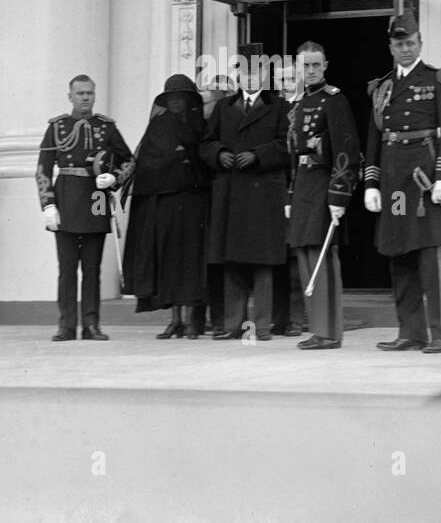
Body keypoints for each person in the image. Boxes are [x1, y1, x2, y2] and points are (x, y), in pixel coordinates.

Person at [363, 14, 441, 354]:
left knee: (429, 254)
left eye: (410, 43)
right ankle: (410, 331)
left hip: (424, 181)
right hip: (394, 184)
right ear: (390, 47)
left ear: (420, 42)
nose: (404, 49)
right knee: (399, 253)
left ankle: (440, 334)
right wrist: (372, 183)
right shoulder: (382, 87)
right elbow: (374, 139)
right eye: (398, 44)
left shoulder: (438, 80)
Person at [201, 54, 290, 341]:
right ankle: (232, 325)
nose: (251, 77)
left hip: (263, 192)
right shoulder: (223, 106)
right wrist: (218, 154)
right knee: (232, 261)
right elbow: (205, 143)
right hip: (231, 191)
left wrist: (258, 155)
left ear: (264, 74)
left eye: (257, 71)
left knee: (262, 263)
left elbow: (286, 145)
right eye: (245, 71)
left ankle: (262, 326)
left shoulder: (278, 106)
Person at [38, 75, 134, 341]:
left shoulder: (107, 127)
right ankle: (67, 325)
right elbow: (43, 169)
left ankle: (91, 325)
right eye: (79, 93)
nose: (85, 98)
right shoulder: (56, 127)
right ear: (70, 96)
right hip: (66, 198)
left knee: (92, 268)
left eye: (89, 93)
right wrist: (48, 204)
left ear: (94, 95)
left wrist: (115, 178)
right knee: (67, 269)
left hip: (96, 199)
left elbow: (129, 161)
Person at [121, 73, 209, 339]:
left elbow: (204, 159)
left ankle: (194, 320)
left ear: (188, 99)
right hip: (164, 205)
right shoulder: (157, 127)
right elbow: (146, 161)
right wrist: (174, 161)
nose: (175, 102)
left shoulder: (200, 126)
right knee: (168, 261)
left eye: (180, 97)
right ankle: (174, 320)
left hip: (193, 204)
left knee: (191, 260)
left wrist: (187, 161)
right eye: (171, 97)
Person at [286, 42, 361, 350]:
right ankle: (317, 328)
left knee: (321, 259)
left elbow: (348, 150)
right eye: (306, 66)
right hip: (302, 186)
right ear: (298, 68)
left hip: (323, 186)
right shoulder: (298, 103)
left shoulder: (334, 100)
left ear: (326, 65)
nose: (311, 71)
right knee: (305, 257)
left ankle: (329, 331)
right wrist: (289, 197)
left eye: (316, 65)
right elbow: (292, 155)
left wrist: (339, 196)